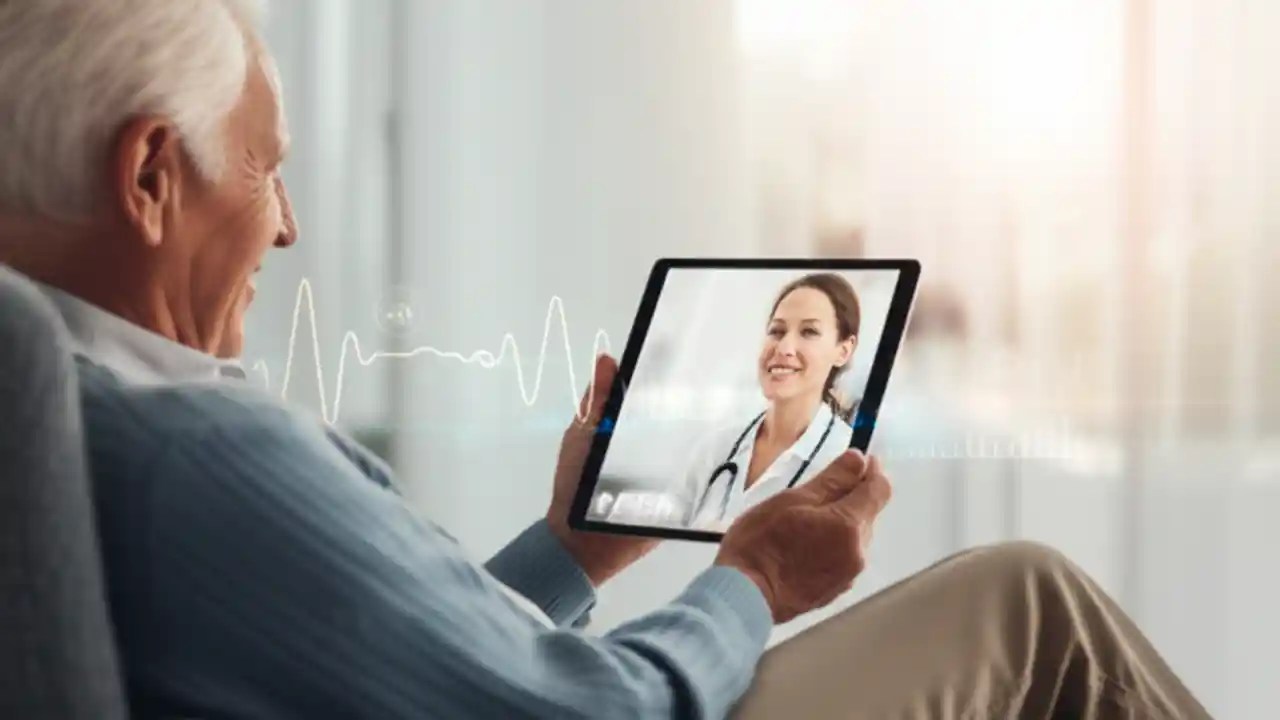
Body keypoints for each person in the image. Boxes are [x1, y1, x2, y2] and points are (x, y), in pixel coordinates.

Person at [0, 1, 1212, 718]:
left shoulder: (73, 411)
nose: (287, 225)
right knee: (1025, 595)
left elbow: (419, 678)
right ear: (151, 176)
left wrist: (575, 551)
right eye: (264, 166)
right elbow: (586, 709)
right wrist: (751, 578)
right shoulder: (191, 452)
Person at [683, 273, 860, 532]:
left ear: (843, 350)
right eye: (777, 331)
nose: (784, 347)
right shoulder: (714, 450)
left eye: (809, 332)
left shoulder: (846, 460)